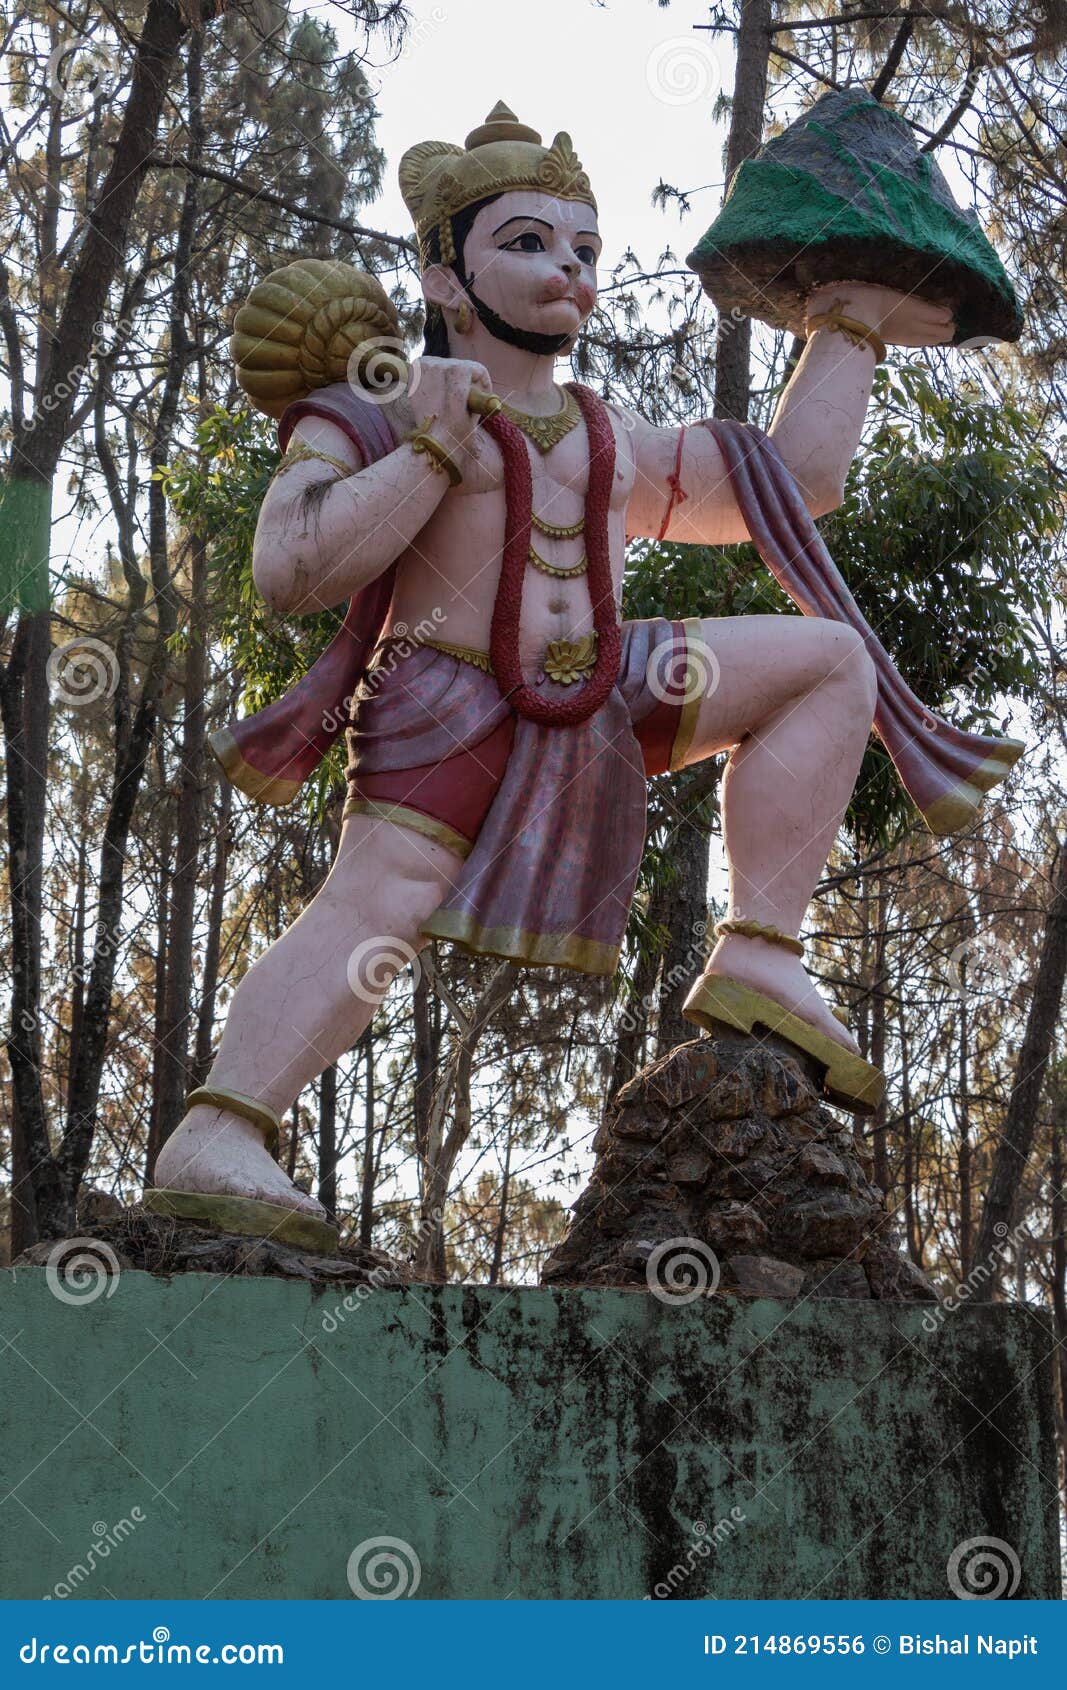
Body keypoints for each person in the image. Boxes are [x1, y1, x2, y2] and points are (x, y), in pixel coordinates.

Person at [149, 103, 995, 1252]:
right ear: (444, 279)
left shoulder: (610, 434)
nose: (567, 275)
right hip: (443, 701)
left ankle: (759, 954)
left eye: (584, 251)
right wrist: (430, 446)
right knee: (374, 911)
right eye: (529, 244)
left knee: (824, 661)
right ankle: (219, 1128)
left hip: (598, 693)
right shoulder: (383, 400)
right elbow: (291, 565)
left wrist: (846, 322)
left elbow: (789, 485)